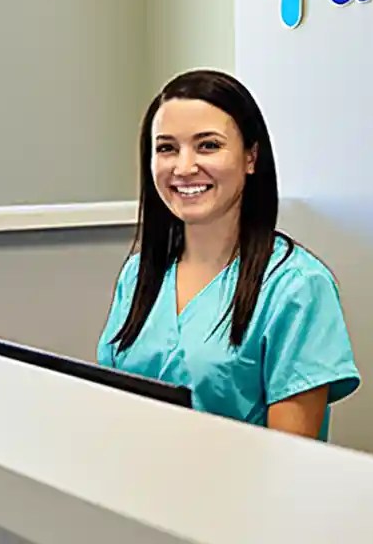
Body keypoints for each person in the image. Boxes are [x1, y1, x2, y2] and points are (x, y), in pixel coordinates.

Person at [97, 69, 359, 440]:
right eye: (166, 148)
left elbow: (291, 459)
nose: (184, 167)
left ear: (251, 157)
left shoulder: (298, 287)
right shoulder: (138, 275)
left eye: (208, 145)